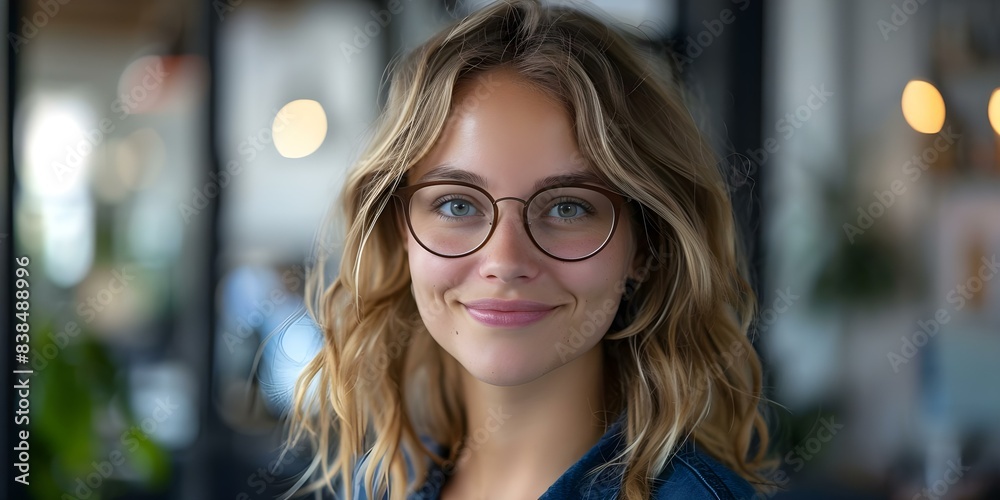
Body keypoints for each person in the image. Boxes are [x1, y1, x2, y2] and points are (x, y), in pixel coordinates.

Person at [283, 1, 772, 498]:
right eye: (456, 205)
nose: (505, 262)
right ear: (400, 232)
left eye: (567, 208)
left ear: (645, 246)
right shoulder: (383, 485)